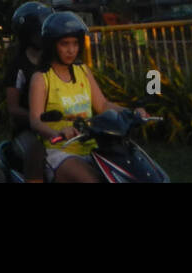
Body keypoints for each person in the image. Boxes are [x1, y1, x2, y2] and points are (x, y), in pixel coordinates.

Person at [28, 11, 144, 183]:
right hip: (61, 150)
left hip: (93, 147)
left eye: (75, 44)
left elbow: (103, 105)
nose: (71, 50)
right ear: (53, 45)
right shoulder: (41, 78)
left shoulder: (82, 70)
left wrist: (132, 112)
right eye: (64, 44)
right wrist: (57, 132)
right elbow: (36, 121)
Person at [4, 1, 52, 183]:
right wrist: (37, 118)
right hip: (31, 131)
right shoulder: (19, 67)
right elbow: (13, 108)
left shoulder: (54, 61)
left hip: (63, 127)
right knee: (40, 158)